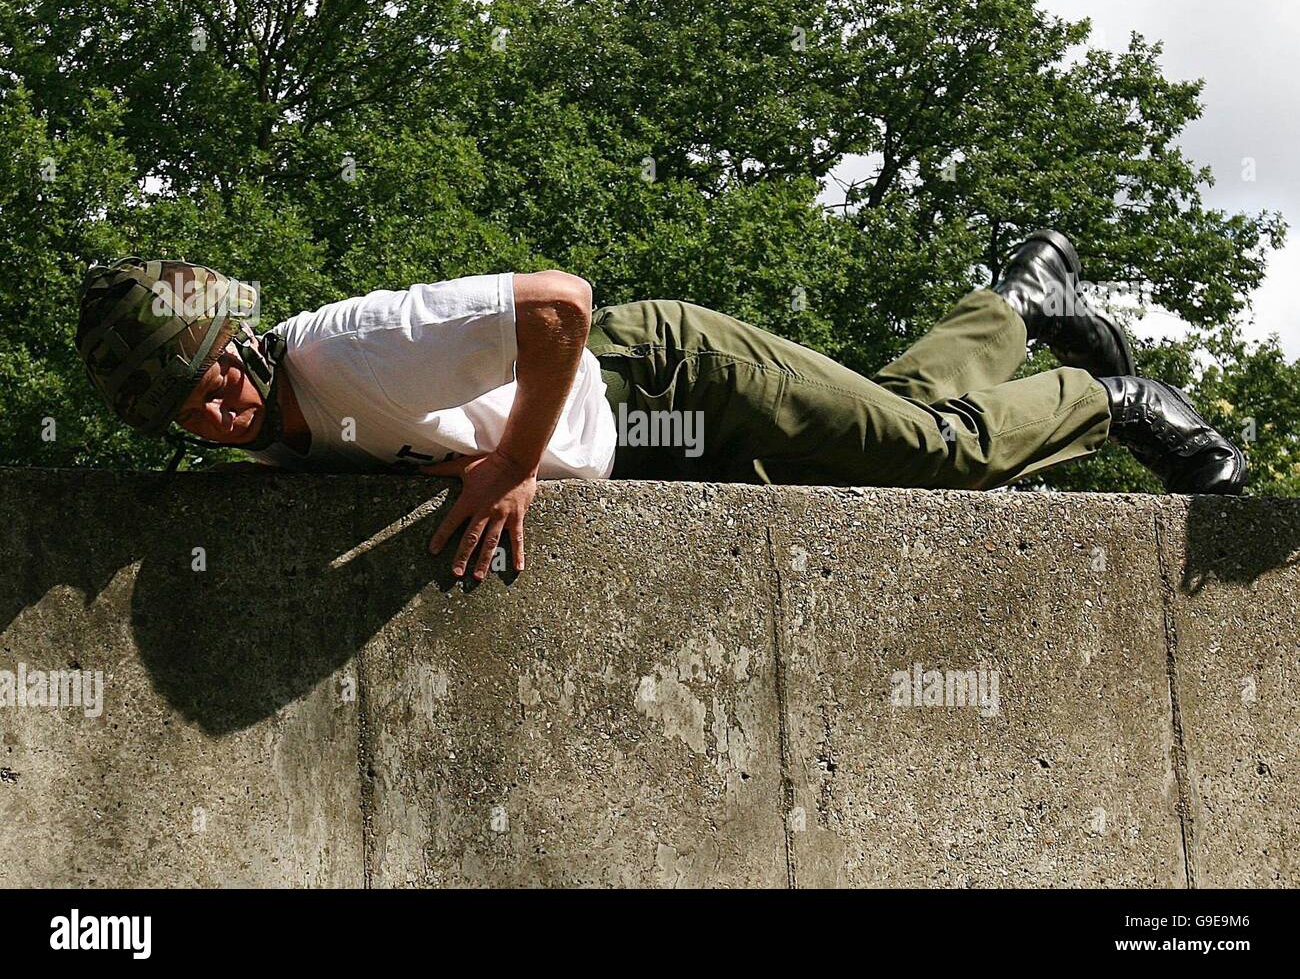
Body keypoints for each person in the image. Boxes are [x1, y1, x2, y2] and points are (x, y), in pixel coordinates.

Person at [76, 230, 1246, 580]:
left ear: (242, 330)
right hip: (632, 442)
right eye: (185, 405)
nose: (215, 404)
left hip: (677, 376)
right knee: (888, 419)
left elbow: (560, 304)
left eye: (219, 367)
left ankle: (1120, 398)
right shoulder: (262, 438)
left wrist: (512, 467)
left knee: (931, 459)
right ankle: (1017, 296)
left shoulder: (354, 342)